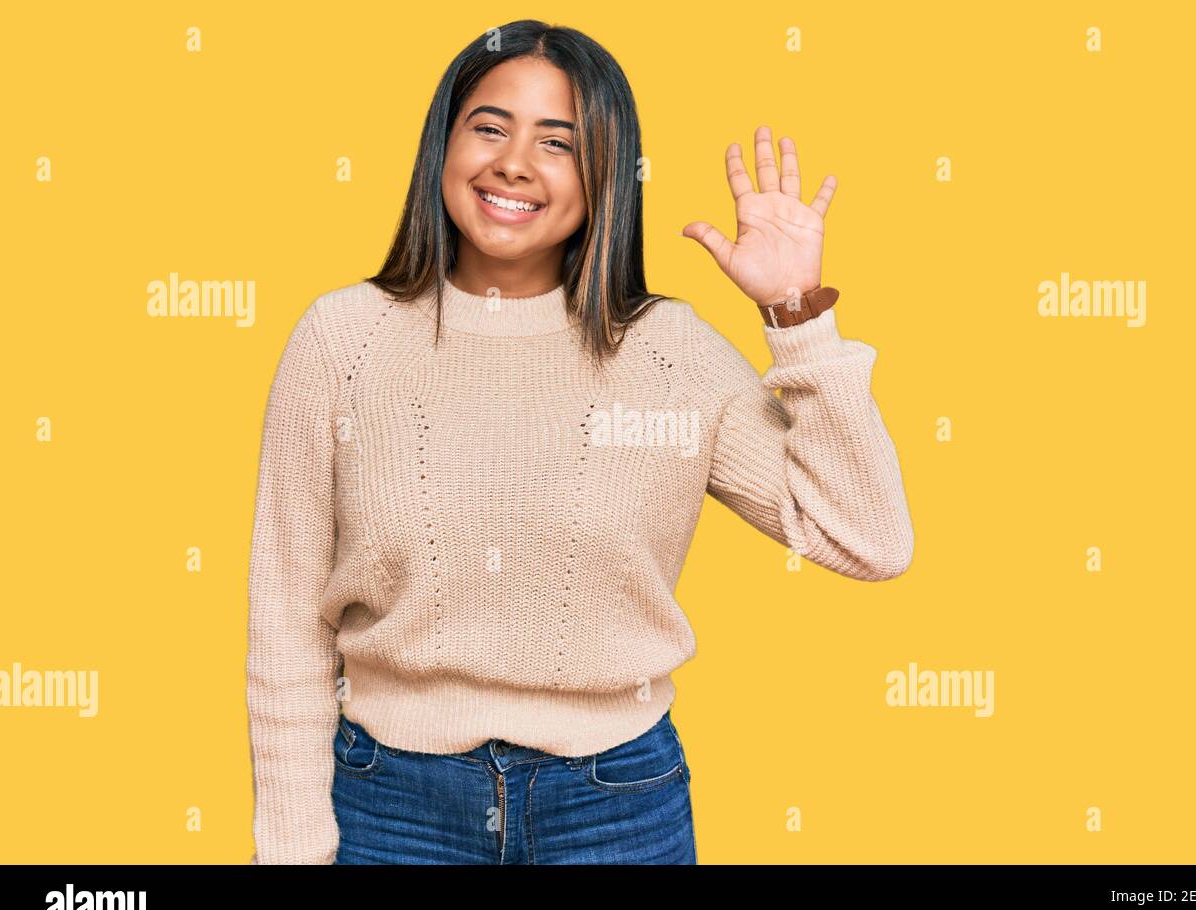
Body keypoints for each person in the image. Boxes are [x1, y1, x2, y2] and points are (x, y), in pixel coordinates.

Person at [246, 19, 914, 865]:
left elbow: (869, 537)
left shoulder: (668, 351)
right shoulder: (343, 340)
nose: (514, 162)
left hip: (614, 810)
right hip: (391, 809)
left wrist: (796, 315)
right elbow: (284, 614)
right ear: (442, 145)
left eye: (558, 142)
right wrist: (293, 845)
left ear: (606, 176)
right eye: (489, 126)